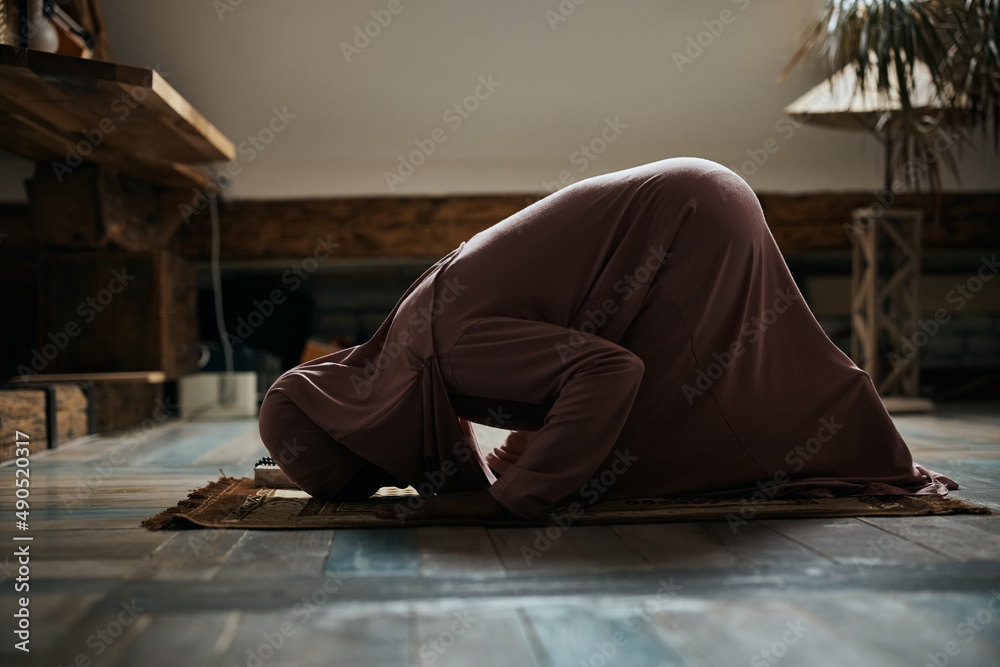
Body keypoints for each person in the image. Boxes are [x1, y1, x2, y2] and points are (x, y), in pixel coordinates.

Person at [257, 157, 955, 521]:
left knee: (651, 438)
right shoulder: (409, 339)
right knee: (601, 441)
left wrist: (510, 499)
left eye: (381, 467)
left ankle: (843, 435)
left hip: (688, 230)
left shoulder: (442, 353)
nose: (403, 472)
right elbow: (554, 356)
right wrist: (522, 462)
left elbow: (606, 371)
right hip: (694, 198)